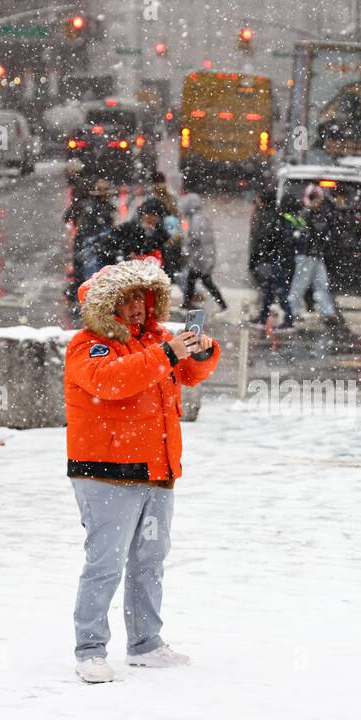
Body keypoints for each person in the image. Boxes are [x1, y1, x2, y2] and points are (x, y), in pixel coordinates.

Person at [64, 260, 220, 683]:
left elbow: (188, 374)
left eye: (141, 297)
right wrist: (167, 352)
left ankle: (145, 643)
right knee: (105, 563)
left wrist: (200, 352)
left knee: (150, 560)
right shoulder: (89, 345)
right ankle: (90, 649)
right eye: (126, 299)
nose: (136, 307)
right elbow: (112, 382)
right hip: (106, 473)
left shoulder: (156, 342)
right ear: (106, 306)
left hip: (156, 470)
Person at [286, 185, 339, 324]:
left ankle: (328, 312)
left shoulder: (320, 214)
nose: (317, 201)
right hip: (306, 255)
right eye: (313, 198)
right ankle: (293, 311)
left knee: (321, 284)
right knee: (300, 284)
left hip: (315, 255)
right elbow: (301, 235)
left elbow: (325, 232)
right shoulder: (305, 215)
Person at [249, 189, 294, 327]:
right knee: (271, 290)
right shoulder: (277, 215)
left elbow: (261, 240)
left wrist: (255, 258)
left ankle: (287, 319)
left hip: (270, 260)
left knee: (276, 290)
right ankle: (265, 317)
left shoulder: (266, 216)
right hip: (274, 259)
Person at [64, 178, 116, 291]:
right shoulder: (100, 208)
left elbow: (68, 217)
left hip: (88, 244)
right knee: (93, 272)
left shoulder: (86, 204)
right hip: (92, 245)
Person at [179, 193, 226, 310]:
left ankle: (222, 305)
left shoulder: (196, 218)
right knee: (195, 279)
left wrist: (185, 242)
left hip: (201, 257)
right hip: (204, 255)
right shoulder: (201, 216)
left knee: (202, 280)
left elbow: (195, 237)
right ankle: (187, 302)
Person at [97, 199, 167, 267]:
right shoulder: (127, 229)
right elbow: (108, 246)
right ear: (142, 215)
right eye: (148, 214)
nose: (150, 219)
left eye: (154, 216)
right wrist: (126, 254)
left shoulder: (162, 235)